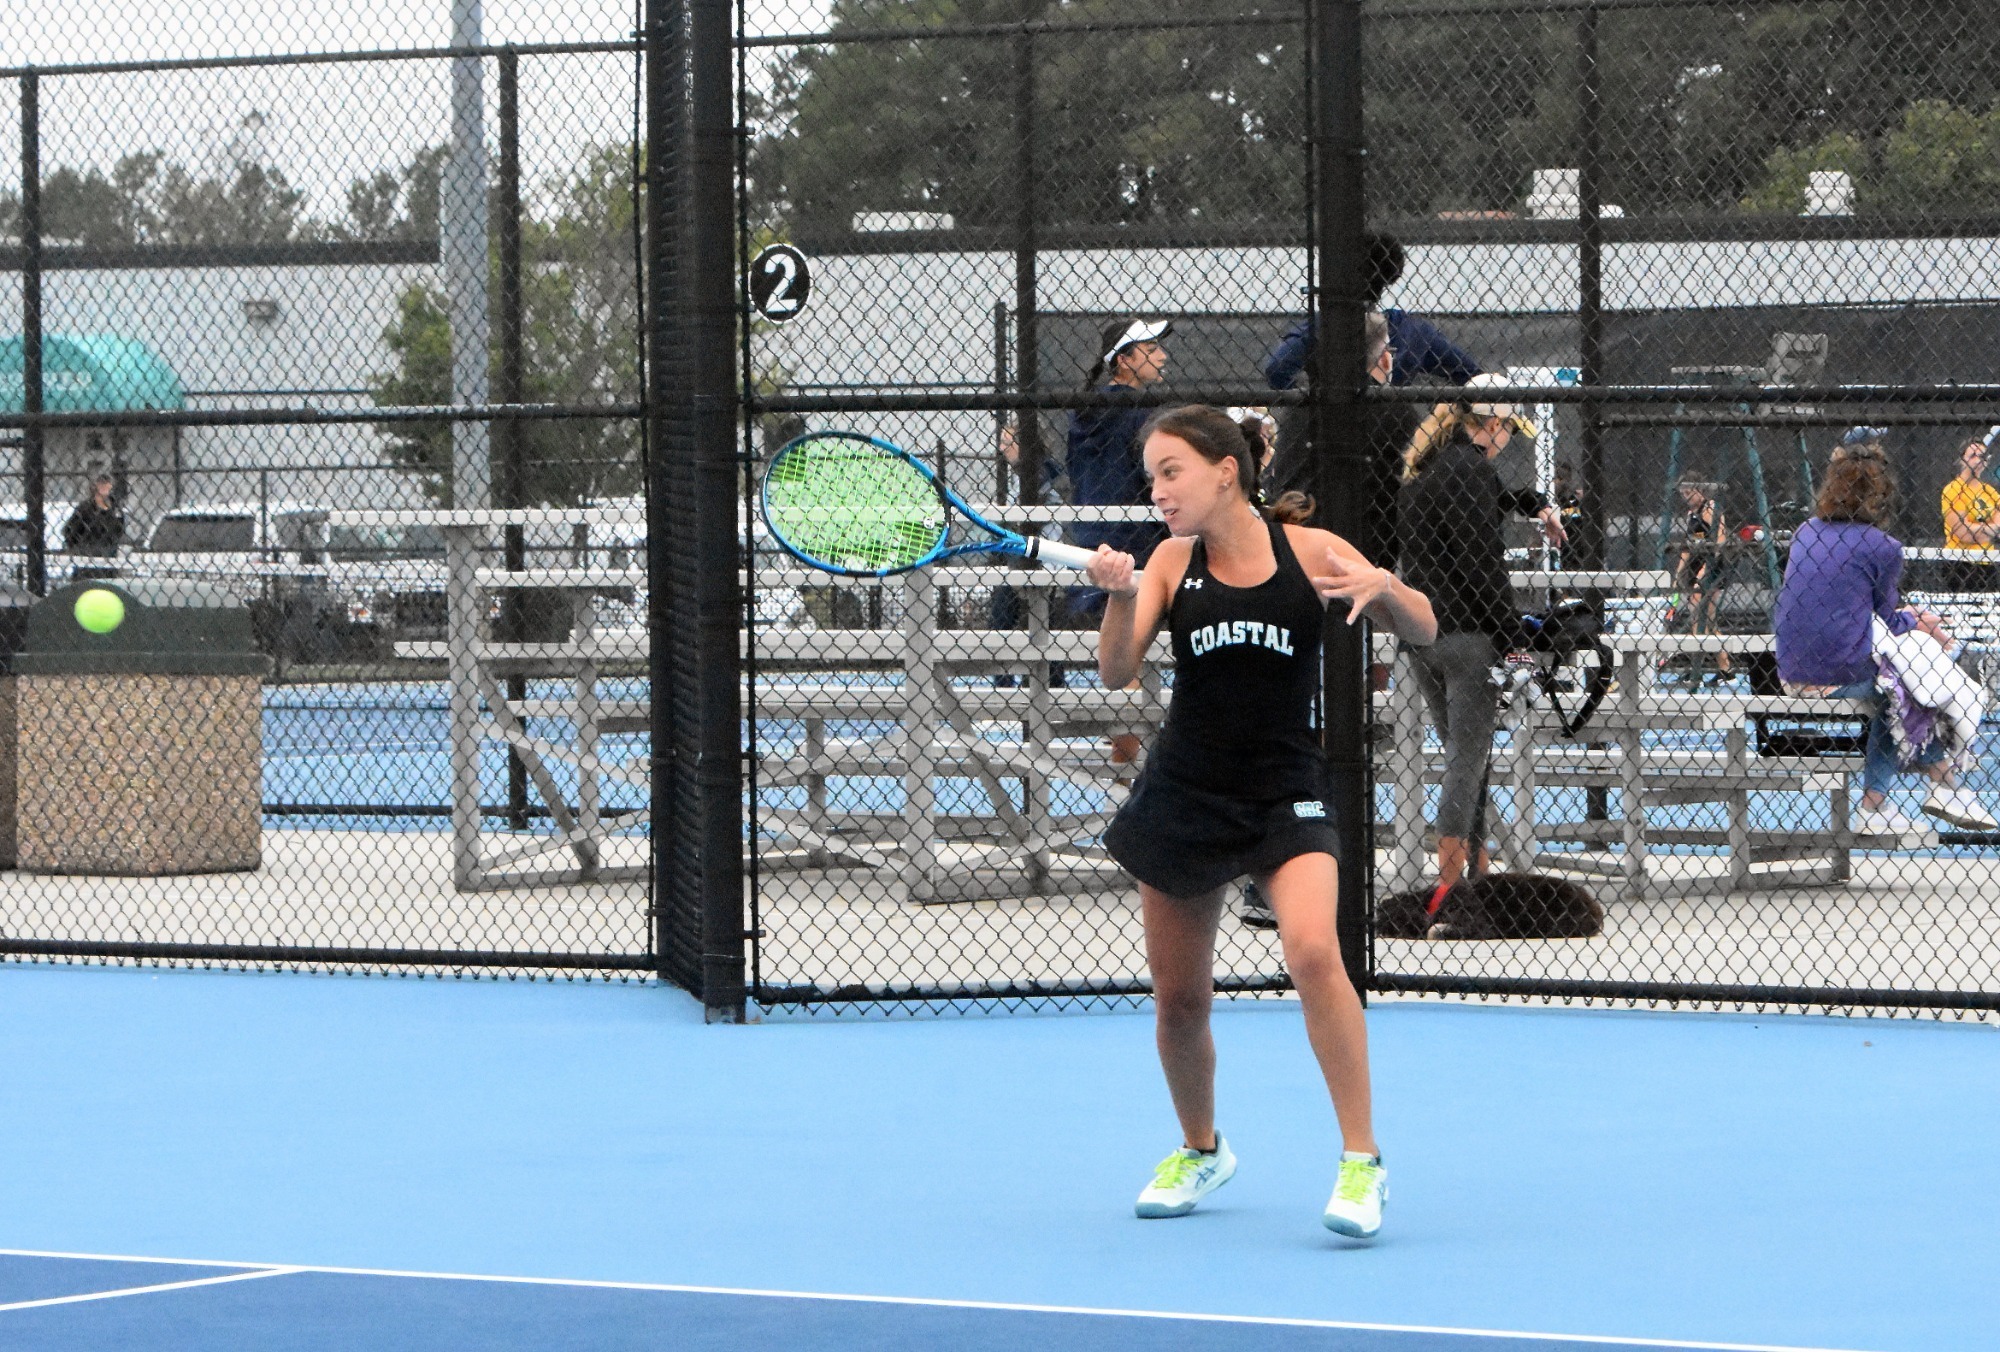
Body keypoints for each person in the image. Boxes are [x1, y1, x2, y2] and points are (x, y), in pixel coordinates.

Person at [1083, 404, 1435, 1239]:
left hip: (1285, 788)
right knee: (1179, 1004)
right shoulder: (1169, 561)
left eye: (1172, 471)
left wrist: (1384, 587)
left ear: (1226, 471)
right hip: (1186, 792)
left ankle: (1361, 1164)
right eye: (1153, 475)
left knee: (1314, 948)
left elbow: (1422, 625)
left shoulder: (1310, 553)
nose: (1158, 489)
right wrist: (1118, 594)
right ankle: (1201, 1148)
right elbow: (1115, 671)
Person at [1397, 374, 1568, 899]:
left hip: (1422, 633)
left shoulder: (1427, 466)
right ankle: (1451, 886)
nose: (1507, 443)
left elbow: (1494, 502)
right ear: (1491, 425)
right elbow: (1481, 565)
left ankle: (1478, 873)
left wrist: (1533, 501)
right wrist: (1514, 633)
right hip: (1468, 635)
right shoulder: (1470, 472)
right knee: (1467, 762)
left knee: (1461, 754)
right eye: (1507, 433)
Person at [1775, 444, 1997, 834]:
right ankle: (1935, 786)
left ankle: (1894, 800)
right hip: (1836, 675)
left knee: (1894, 690)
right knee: (1906, 685)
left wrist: (1907, 620)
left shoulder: (1805, 532)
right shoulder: (1884, 547)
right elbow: (1889, 619)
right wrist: (1919, 622)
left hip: (1790, 670)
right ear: (1880, 498)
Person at [1069, 318, 1174, 767]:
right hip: (1135, 553)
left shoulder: (1084, 413)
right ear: (1124, 360)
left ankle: (1126, 774)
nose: (1162, 354)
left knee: (1125, 659)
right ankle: (1126, 774)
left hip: (1093, 548)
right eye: (1150, 348)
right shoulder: (1139, 416)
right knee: (1130, 662)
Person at [1263, 234, 1482, 392]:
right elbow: (1473, 376)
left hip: (1331, 430)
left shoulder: (1323, 327)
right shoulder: (1411, 330)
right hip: (1391, 431)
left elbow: (1277, 369)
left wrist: (1309, 404)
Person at [1939, 428, 2000, 593]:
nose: (1978, 461)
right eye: (1973, 456)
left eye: (1982, 456)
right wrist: (1991, 529)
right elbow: (1963, 533)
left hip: (1987, 563)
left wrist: (1977, 529)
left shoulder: (1991, 492)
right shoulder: (1953, 490)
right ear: (1962, 460)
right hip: (1959, 564)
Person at [62, 462, 125, 557]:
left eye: (107, 483)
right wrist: (81, 549)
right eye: (101, 483)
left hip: (109, 557)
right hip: (87, 557)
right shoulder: (85, 508)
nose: (104, 487)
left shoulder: (116, 509)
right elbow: (68, 532)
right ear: (95, 486)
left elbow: (119, 531)